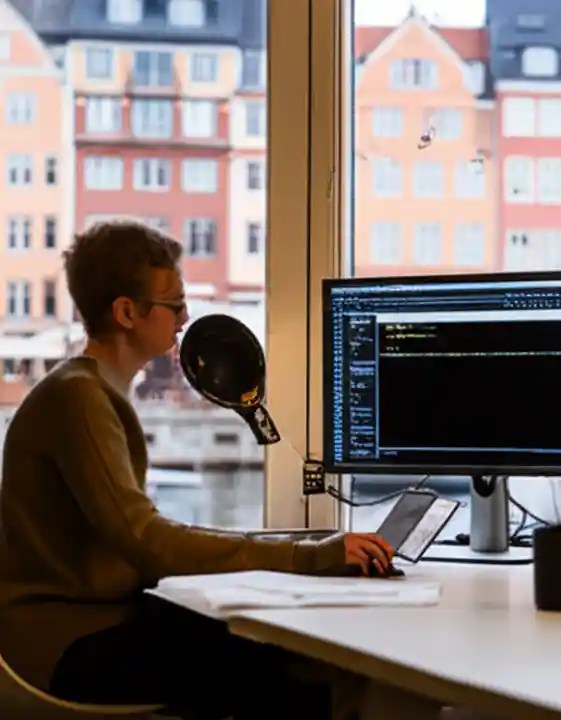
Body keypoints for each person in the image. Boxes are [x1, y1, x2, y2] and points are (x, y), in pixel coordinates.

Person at [0, 220, 394, 719]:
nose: (185, 317)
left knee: (264, 646)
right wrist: (306, 557)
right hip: (62, 643)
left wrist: (293, 550)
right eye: (173, 304)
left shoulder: (89, 390)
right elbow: (144, 537)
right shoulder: (79, 399)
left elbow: (142, 533)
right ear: (126, 312)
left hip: (92, 622)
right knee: (285, 667)